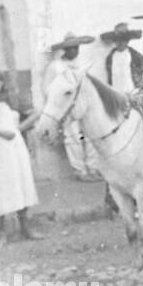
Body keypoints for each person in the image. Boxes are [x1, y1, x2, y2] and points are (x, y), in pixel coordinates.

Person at [43, 32, 99, 181]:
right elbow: (48, 88)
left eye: (76, 47)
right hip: (67, 107)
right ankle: (80, 170)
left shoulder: (83, 64)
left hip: (83, 106)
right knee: (73, 137)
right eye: (71, 48)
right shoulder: (56, 66)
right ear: (65, 50)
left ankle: (93, 168)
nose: (74, 51)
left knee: (89, 135)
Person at [0, 70, 41, 242]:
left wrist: (19, 129)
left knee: (21, 184)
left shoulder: (13, 99)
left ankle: (26, 228)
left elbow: (36, 114)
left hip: (15, 148)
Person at [99, 23, 143, 94]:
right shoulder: (110, 58)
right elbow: (110, 76)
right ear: (114, 41)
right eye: (117, 40)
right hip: (116, 93)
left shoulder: (136, 57)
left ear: (128, 41)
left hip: (132, 92)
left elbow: (142, 73)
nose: (120, 43)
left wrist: (138, 88)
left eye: (123, 40)